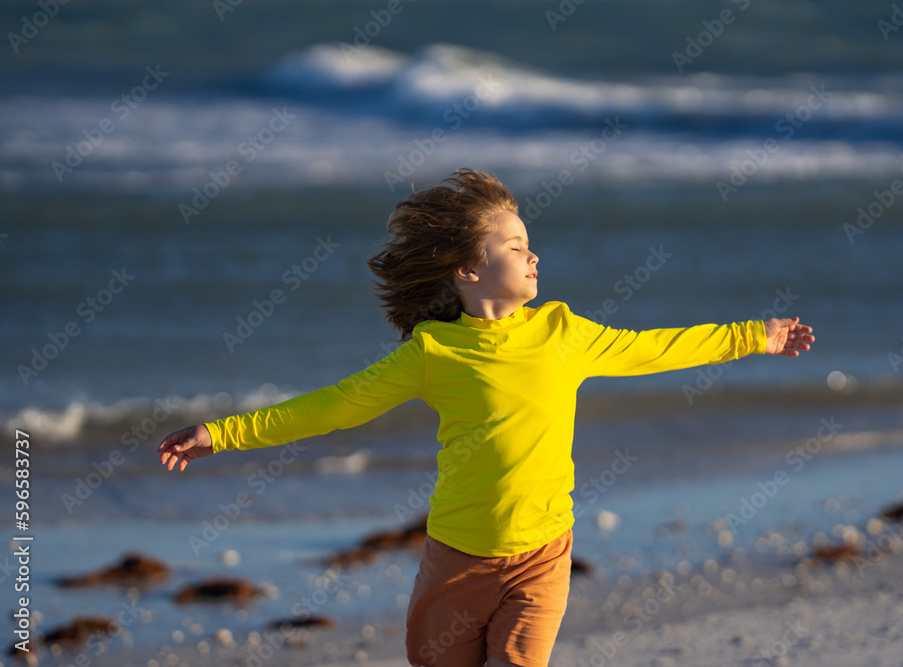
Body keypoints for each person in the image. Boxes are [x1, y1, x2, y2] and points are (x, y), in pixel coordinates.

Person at [157, 168, 814, 667]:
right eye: (517, 245)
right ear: (469, 268)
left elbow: (653, 348)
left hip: (544, 553)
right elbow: (334, 405)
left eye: (531, 245)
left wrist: (752, 334)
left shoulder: (562, 331)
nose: (534, 257)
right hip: (458, 559)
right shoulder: (433, 352)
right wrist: (224, 432)